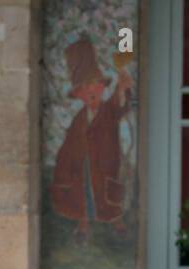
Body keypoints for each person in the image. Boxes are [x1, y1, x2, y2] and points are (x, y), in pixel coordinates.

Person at [49, 37, 134, 239]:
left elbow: (119, 105)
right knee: (83, 194)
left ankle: (117, 223)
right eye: (85, 88)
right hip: (83, 166)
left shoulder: (108, 110)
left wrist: (122, 88)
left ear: (103, 87)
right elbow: (69, 145)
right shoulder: (79, 119)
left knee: (108, 197)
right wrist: (65, 164)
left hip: (105, 163)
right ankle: (83, 224)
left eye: (95, 85)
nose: (91, 91)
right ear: (79, 94)